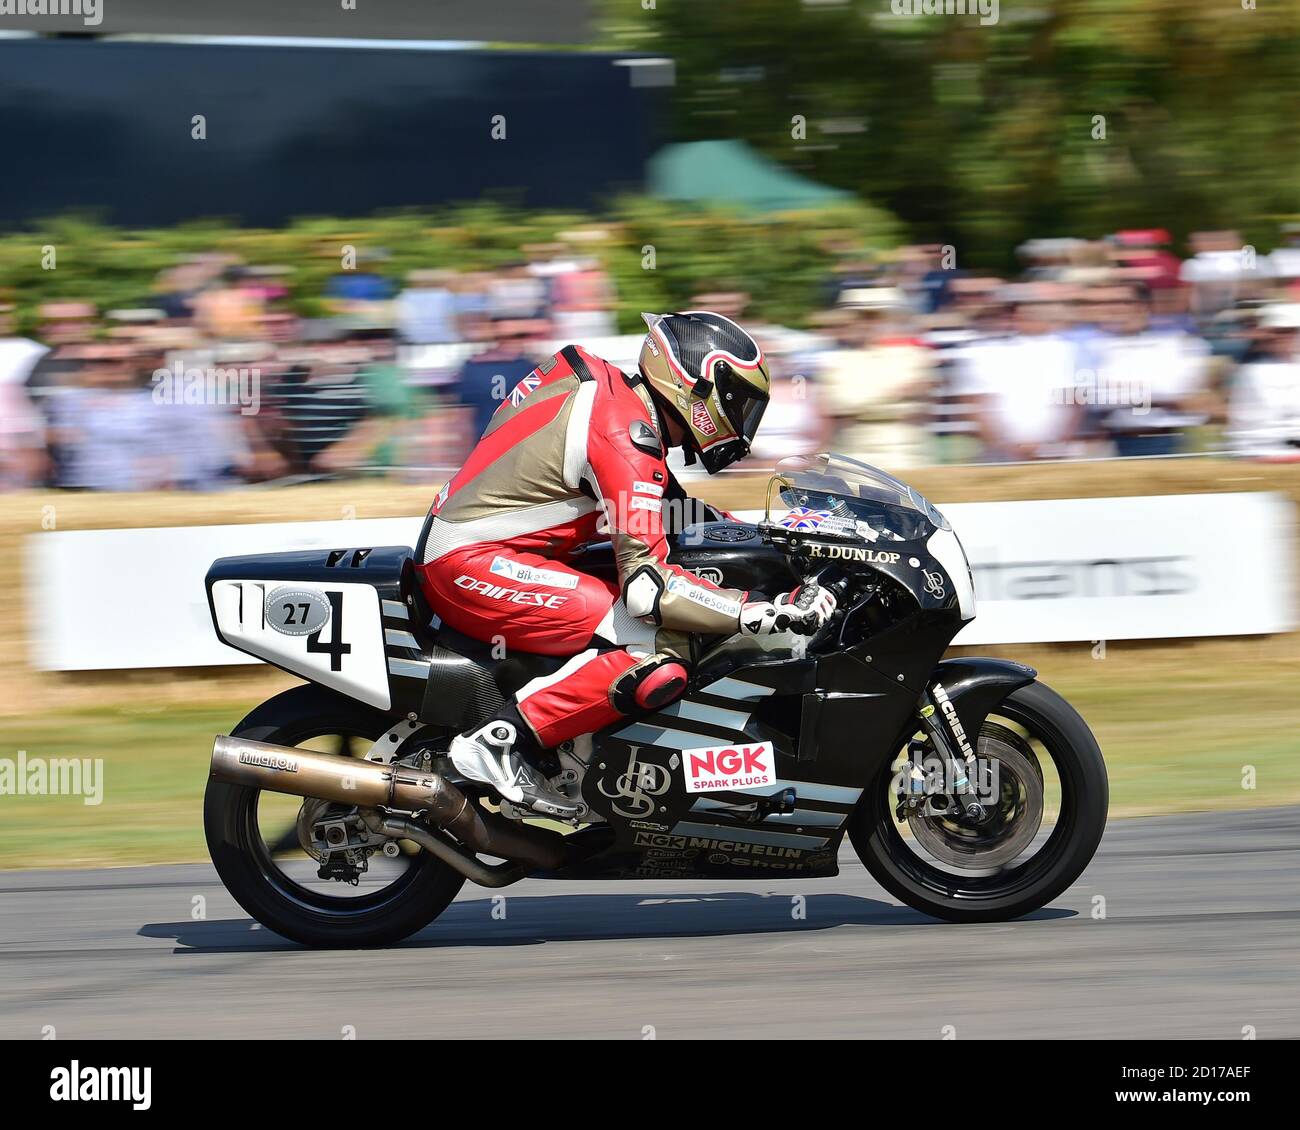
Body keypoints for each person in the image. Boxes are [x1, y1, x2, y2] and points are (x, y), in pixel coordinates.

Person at [416, 311, 836, 817]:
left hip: (482, 548)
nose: (742, 422)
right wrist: (756, 612)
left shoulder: (620, 402)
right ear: (696, 387)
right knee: (657, 649)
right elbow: (648, 590)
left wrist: (782, 541)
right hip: (471, 562)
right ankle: (503, 742)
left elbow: (683, 516)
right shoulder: (625, 435)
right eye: (738, 403)